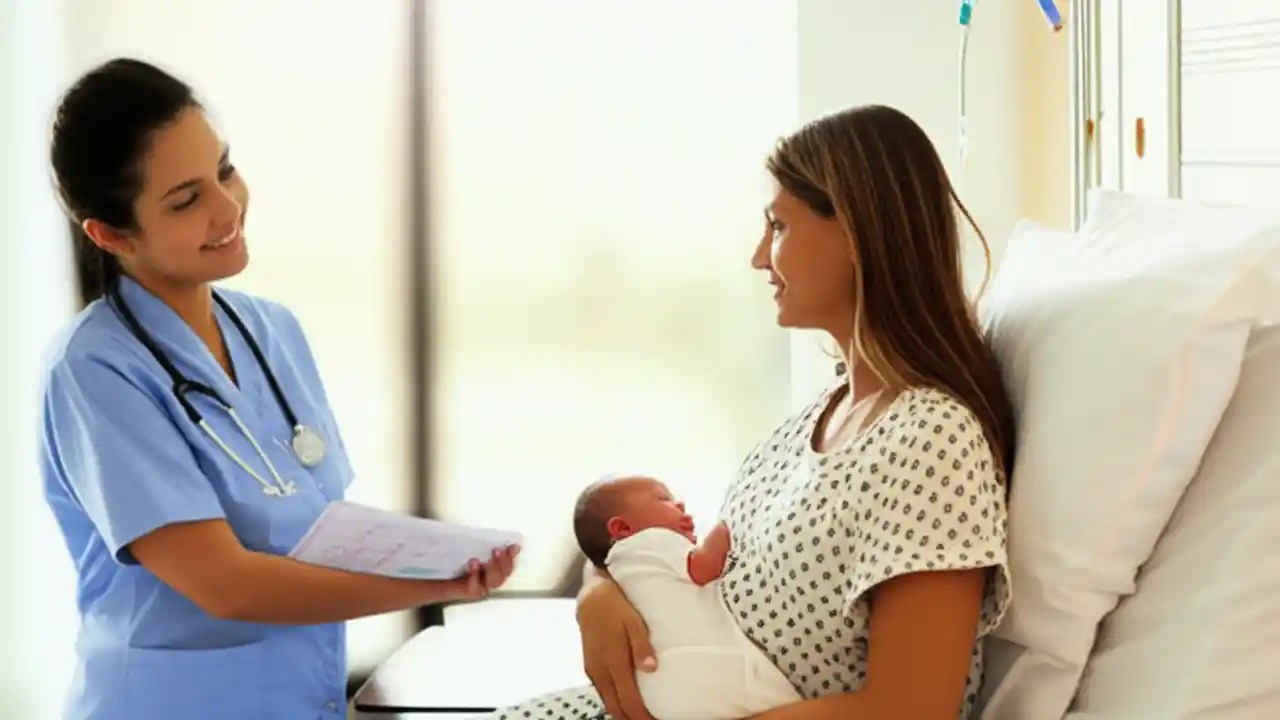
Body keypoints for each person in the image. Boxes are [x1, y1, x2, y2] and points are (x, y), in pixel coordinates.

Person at [492, 104, 1016, 720]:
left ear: (855, 232)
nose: (760, 257)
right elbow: (690, 568)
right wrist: (599, 590)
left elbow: (910, 708)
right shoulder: (817, 421)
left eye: (778, 227)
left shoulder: (931, 442)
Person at [39, 58, 519, 720]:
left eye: (225, 170)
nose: (227, 207)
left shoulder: (272, 330)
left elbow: (318, 526)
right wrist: (434, 584)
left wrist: (439, 556)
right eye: (186, 200)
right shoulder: (94, 371)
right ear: (111, 234)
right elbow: (227, 586)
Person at [572, 474, 801, 719]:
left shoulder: (617, 563)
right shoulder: (652, 539)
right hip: (702, 667)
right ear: (622, 528)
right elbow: (702, 566)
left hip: (657, 687)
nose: (680, 505)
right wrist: (725, 528)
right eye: (663, 499)